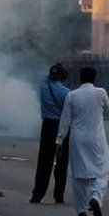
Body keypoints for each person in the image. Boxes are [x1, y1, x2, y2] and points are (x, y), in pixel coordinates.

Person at [57, 67, 109, 216]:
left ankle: (81, 210)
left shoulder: (71, 95)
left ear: (80, 78)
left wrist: (59, 141)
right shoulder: (100, 92)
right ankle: (96, 197)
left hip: (77, 139)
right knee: (102, 170)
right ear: (94, 78)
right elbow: (108, 107)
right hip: (96, 138)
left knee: (78, 174)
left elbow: (65, 120)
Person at [30, 63, 71, 204]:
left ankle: (37, 195)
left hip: (47, 126)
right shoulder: (66, 93)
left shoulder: (43, 86)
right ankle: (58, 196)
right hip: (61, 127)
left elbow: (45, 79)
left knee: (44, 162)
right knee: (61, 163)